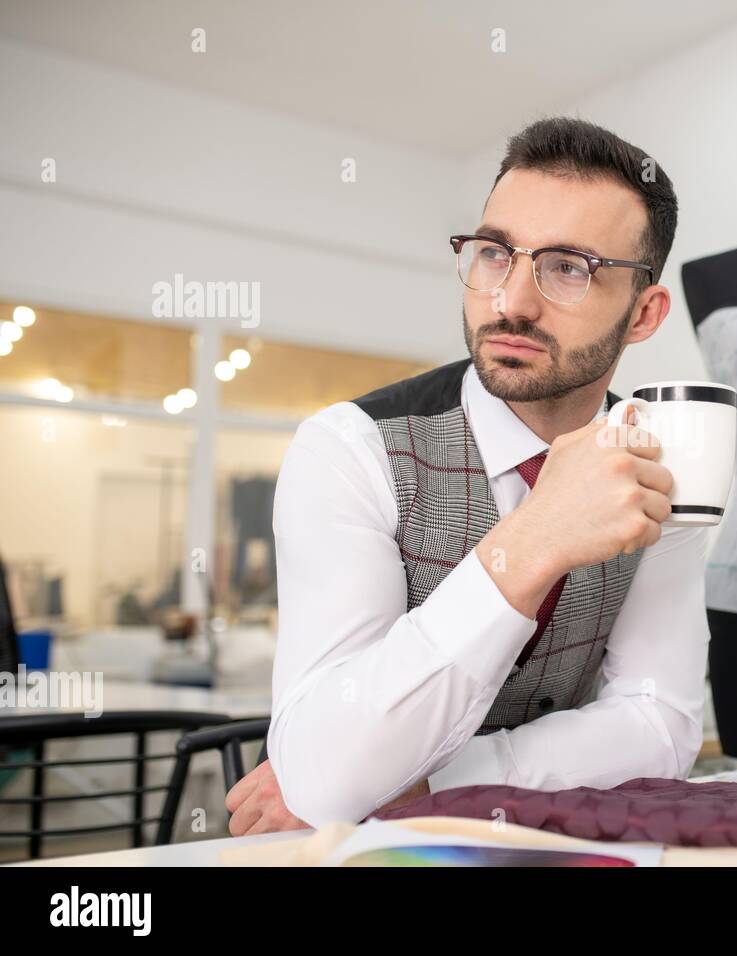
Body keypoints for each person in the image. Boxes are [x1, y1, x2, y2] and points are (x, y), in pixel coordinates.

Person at [225, 117, 708, 833]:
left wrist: (442, 780)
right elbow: (326, 777)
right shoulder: (349, 449)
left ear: (643, 314)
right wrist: (538, 538)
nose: (510, 300)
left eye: (569, 267)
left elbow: (661, 723)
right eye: (493, 253)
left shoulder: (656, 461)